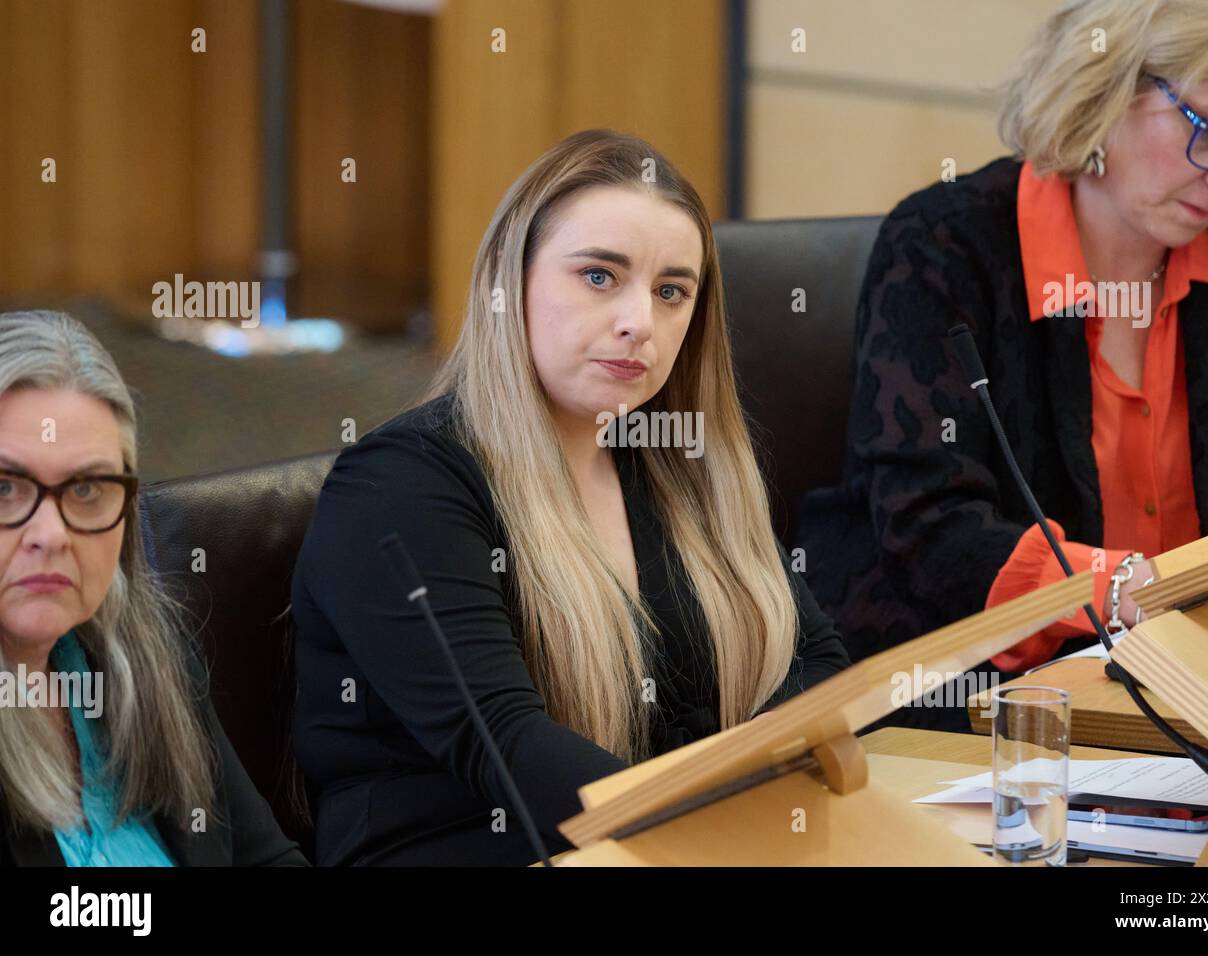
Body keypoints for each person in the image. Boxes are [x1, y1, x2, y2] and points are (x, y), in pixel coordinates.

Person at [292, 128, 851, 866]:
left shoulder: (673, 461)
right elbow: (507, 746)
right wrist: (713, 830)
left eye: (671, 291)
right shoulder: (401, 485)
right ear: (508, 283)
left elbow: (815, 665)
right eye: (597, 276)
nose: (639, 323)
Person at [798, 0, 1208, 716]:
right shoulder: (945, 244)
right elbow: (932, 531)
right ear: (1105, 85)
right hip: (964, 703)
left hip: (1195, 690)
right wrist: (1133, 588)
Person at [0, 311, 307, 866]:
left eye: (88, 488)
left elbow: (266, 859)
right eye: (5, 488)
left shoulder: (150, 654)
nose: (51, 534)